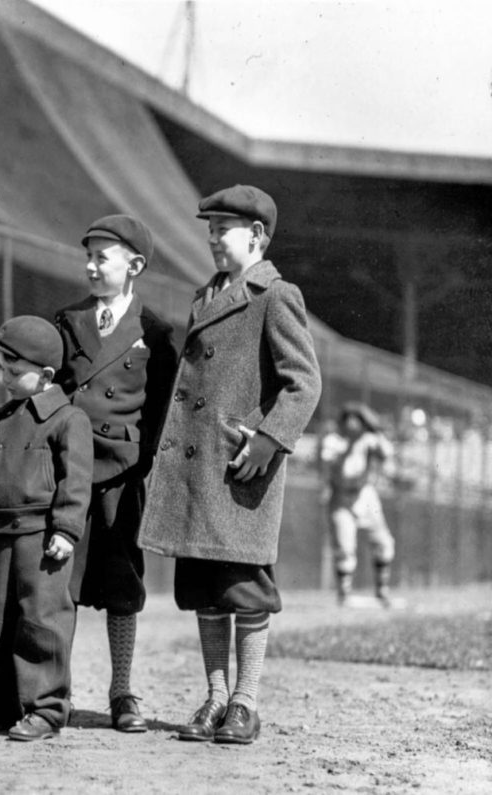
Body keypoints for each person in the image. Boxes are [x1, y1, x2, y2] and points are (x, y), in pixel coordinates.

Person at [138, 184, 322, 745]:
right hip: (199, 475)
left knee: (243, 589)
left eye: (224, 228)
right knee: (204, 591)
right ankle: (215, 698)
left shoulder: (275, 294)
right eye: (210, 229)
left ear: (257, 236)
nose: (214, 238)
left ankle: (246, 701)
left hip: (241, 470)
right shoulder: (206, 295)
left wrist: (270, 440)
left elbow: (305, 382)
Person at [53, 215, 176, 732]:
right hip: (71, 472)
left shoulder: (156, 332)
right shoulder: (67, 321)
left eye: (103, 256)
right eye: (89, 255)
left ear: (135, 266)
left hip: (123, 477)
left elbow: (163, 409)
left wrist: (140, 460)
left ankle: (122, 691)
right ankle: (52, 690)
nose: (91, 265)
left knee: (122, 584)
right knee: (60, 583)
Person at [0, 316, 93, 741]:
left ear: (46, 376)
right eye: (1, 367)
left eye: (14, 370)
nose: (4, 377)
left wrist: (66, 530)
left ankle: (47, 710)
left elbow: (77, 481)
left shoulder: (69, 420)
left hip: (42, 538)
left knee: (41, 619)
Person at [319, 401, 396, 607]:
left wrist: (375, 431)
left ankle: (382, 591)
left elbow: (387, 453)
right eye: (349, 419)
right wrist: (352, 444)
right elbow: (334, 464)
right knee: (345, 547)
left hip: (366, 496)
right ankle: (344, 595)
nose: (353, 424)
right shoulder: (333, 440)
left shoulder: (369, 439)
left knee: (384, 543)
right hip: (341, 497)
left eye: (358, 420)